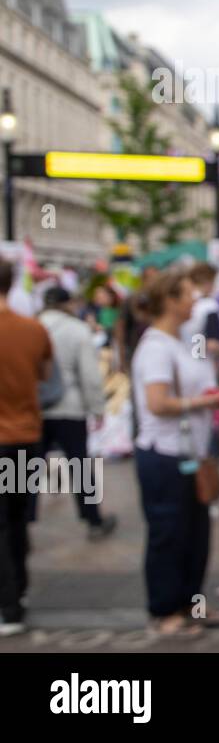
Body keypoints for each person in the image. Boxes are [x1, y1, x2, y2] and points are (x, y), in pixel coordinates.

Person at [131, 268, 219, 637]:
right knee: (168, 533)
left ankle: (191, 602)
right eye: (188, 294)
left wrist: (213, 397)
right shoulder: (155, 346)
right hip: (165, 453)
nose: (195, 301)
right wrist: (198, 402)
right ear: (170, 301)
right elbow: (157, 403)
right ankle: (164, 609)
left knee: (196, 532)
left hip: (193, 451)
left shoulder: (185, 340)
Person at [29, 287, 117, 539]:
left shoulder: (31, 326)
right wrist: (98, 407)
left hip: (36, 407)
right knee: (79, 466)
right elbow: (89, 374)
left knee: (26, 468)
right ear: (67, 304)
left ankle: (20, 523)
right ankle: (93, 520)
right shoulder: (78, 330)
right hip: (70, 406)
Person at [0, 260, 54, 638]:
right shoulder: (34, 329)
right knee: (17, 518)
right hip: (27, 437)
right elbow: (44, 376)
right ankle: (19, 588)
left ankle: (9, 606)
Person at [180, 263, 219, 363]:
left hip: (180, 362)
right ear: (207, 282)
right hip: (200, 364)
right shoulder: (209, 306)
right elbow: (212, 344)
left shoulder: (180, 303)